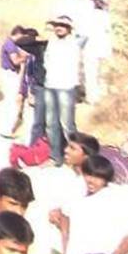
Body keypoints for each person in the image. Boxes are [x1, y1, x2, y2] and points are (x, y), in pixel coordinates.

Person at [46, 133, 100, 254]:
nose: (66, 150)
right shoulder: (70, 178)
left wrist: (61, 218)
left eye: (73, 148)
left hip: (74, 247)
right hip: (59, 244)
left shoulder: (90, 184)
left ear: (86, 156)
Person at [42, 16, 80, 164]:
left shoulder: (73, 42)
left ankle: (76, 157)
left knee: (67, 125)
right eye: (57, 25)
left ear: (69, 28)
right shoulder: (52, 41)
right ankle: (55, 156)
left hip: (66, 87)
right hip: (50, 85)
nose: (59, 28)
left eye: (63, 25)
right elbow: (47, 61)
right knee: (51, 123)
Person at [0, 26, 28, 139]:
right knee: (12, 102)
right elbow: (15, 61)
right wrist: (25, 57)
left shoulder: (9, 43)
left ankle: (4, 127)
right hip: (10, 74)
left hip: (7, 74)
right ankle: (7, 129)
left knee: (8, 101)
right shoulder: (10, 45)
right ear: (18, 34)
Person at [81, 0, 112, 105]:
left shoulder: (86, 16)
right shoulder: (106, 15)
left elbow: (83, 34)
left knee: (91, 74)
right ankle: (104, 96)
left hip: (90, 48)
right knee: (103, 74)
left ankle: (92, 98)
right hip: (105, 48)